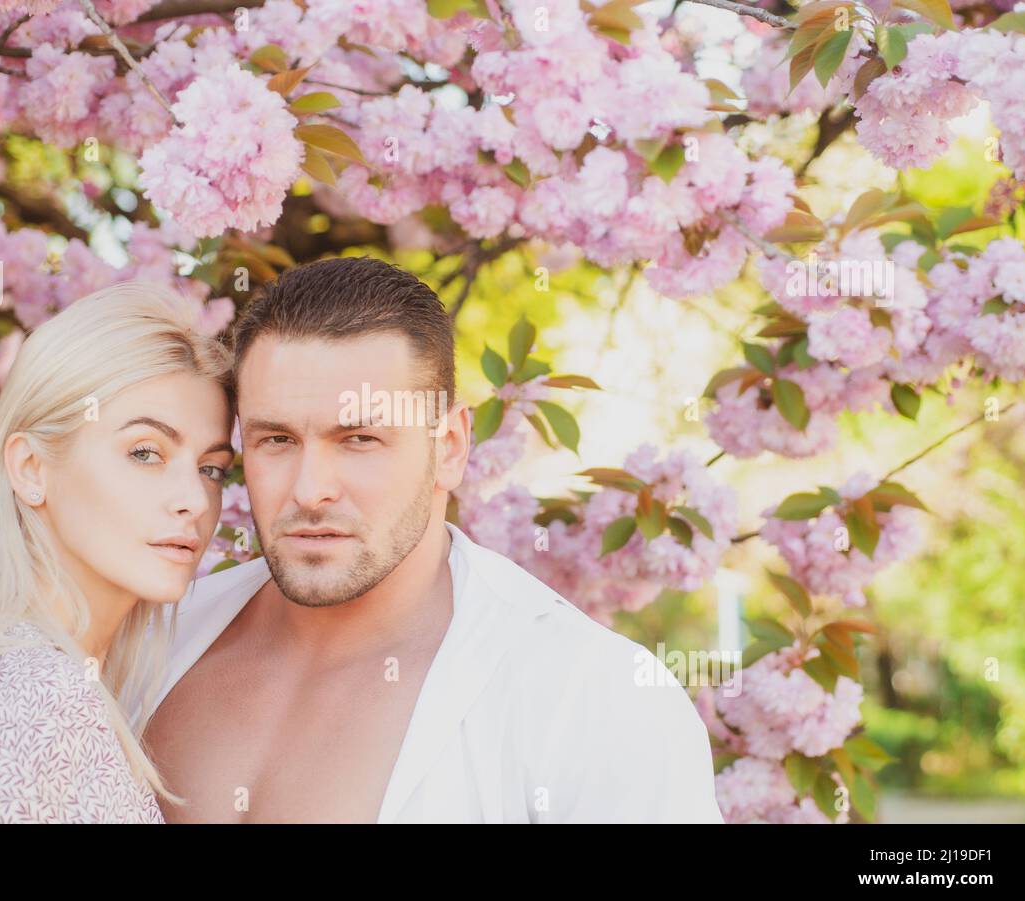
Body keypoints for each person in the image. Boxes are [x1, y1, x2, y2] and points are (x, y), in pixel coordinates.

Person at [132, 257, 724, 823]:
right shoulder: (152, 641)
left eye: (359, 438)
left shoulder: (591, 699)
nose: (310, 491)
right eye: (277, 440)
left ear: (449, 447)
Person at [0, 282, 235, 823]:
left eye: (211, 469)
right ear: (31, 468)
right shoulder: (44, 699)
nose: (194, 500)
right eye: (146, 452)